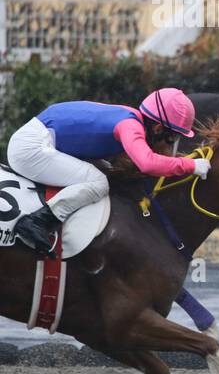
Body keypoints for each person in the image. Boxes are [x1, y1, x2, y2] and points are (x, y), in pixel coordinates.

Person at [5, 88, 206, 257]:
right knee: (98, 182)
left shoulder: (130, 116)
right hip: (30, 149)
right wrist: (192, 166)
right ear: (158, 128)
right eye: (171, 139)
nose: (170, 147)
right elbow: (147, 164)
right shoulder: (130, 126)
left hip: (43, 139)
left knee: (107, 172)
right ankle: (36, 221)